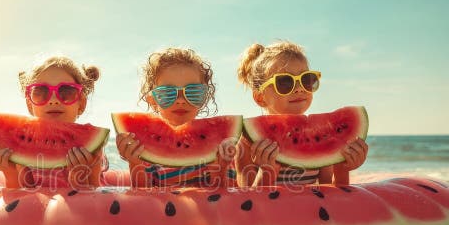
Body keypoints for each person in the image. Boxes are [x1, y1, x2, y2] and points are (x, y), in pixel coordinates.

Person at [235, 41, 368, 187]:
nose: (299, 89)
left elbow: (328, 191)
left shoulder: (324, 135)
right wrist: (266, 172)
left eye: (306, 79)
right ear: (260, 97)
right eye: (285, 82)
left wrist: (342, 168)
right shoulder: (247, 142)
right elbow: (246, 198)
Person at [116, 47, 236, 188]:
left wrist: (219, 169)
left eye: (193, 92)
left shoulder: (218, 145)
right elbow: (143, 196)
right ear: (153, 100)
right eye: (168, 93)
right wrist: (135, 163)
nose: (180, 101)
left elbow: (226, 198)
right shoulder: (145, 152)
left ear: (203, 98)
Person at [0, 56, 104, 189]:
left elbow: (97, 198)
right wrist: (10, 172)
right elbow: (21, 196)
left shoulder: (91, 150)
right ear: (30, 104)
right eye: (40, 92)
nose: (53, 100)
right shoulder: (21, 148)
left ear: (81, 104)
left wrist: (80, 178)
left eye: (66, 92)